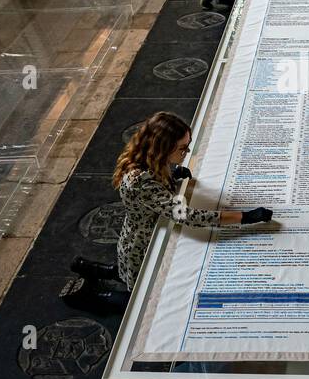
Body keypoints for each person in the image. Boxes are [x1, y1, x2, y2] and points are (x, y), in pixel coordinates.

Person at [66, 112, 274, 314]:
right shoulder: (140, 182)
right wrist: (244, 217)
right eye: (182, 149)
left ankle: (94, 269)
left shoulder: (148, 158)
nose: (186, 153)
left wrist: (171, 175)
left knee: (127, 274)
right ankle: (87, 297)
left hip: (138, 237)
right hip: (143, 247)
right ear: (162, 148)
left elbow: (157, 188)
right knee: (138, 301)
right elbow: (187, 215)